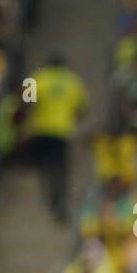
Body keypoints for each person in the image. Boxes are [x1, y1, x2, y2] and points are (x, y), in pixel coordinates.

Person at [26, 53, 87, 224]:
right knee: (61, 168)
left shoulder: (39, 78)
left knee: (45, 166)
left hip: (42, 128)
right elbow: (82, 108)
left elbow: (27, 102)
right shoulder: (73, 81)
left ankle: (50, 197)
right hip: (63, 130)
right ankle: (60, 201)